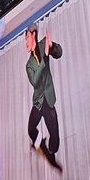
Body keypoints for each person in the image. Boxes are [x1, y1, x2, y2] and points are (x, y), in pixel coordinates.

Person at [25, 22, 64, 171]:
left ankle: (51, 153)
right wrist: (44, 60)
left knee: (55, 138)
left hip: (48, 99)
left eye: (27, 38)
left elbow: (59, 53)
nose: (26, 43)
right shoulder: (28, 65)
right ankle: (40, 144)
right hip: (38, 103)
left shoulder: (43, 45)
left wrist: (52, 47)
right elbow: (35, 82)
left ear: (33, 35)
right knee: (30, 128)